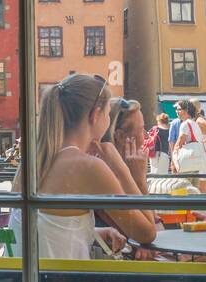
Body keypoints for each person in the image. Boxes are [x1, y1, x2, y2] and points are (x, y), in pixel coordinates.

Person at [11, 75, 157, 260]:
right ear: (95, 115)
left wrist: (92, 232)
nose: (107, 119)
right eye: (106, 113)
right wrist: (126, 172)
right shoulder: (88, 167)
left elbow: (47, 226)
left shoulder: (35, 160)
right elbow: (147, 233)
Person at [171, 99, 206, 194]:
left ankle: (181, 208)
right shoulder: (195, 124)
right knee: (195, 191)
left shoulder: (185, 124)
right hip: (195, 163)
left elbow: (178, 144)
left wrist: (173, 162)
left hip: (186, 163)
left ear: (186, 110)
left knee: (180, 189)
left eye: (179, 109)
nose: (176, 112)